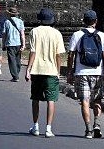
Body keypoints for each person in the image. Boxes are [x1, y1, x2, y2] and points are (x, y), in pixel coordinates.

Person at [67, 9, 104, 139]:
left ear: (84, 21)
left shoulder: (77, 34)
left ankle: (88, 129)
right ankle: (97, 124)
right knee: (97, 99)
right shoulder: (102, 35)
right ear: (96, 21)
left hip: (81, 72)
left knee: (85, 101)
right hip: (98, 72)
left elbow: (71, 55)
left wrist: (70, 72)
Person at [24, 7, 66, 138]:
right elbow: (58, 55)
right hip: (51, 70)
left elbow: (33, 52)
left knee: (35, 98)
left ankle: (35, 126)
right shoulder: (57, 33)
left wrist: (28, 69)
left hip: (37, 69)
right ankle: (48, 128)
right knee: (51, 99)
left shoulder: (34, 31)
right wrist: (58, 70)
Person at [2, 4, 26, 81]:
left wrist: (3, 43)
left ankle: (15, 75)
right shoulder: (20, 22)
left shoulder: (6, 22)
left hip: (10, 43)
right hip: (18, 43)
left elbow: (4, 34)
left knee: (11, 60)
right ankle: (17, 73)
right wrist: (24, 44)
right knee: (18, 59)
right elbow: (22, 34)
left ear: (9, 14)